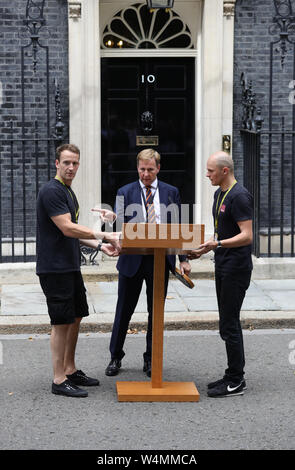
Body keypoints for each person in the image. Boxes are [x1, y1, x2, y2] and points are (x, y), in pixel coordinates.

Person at [36, 143, 120, 398]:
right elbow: (67, 228)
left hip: (69, 265)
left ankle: (70, 369)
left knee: (76, 316)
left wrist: (99, 245)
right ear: (57, 164)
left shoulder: (67, 192)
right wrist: (105, 233)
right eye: (67, 163)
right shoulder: (52, 191)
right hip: (55, 267)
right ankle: (59, 379)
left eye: (75, 163)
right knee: (61, 322)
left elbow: (73, 231)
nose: (71, 167)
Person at [105, 148, 191, 378]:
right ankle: (115, 356)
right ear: (137, 168)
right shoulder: (125, 192)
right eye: (142, 169)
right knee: (124, 310)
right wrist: (111, 222)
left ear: (158, 168)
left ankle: (151, 359)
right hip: (132, 260)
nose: (145, 174)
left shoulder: (171, 192)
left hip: (160, 260)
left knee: (156, 312)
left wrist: (183, 259)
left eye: (150, 169)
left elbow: (179, 228)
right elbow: (118, 226)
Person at [189, 151, 253, 398]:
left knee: (230, 323)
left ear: (224, 171)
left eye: (210, 171)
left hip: (236, 268)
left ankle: (237, 380)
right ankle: (231, 374)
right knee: (226, 322)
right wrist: (206, 248)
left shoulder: (240, 196)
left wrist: (218, 245)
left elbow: (246, 235)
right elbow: (222, 233)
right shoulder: (220, 194)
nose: (207, 175)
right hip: (223, 264)